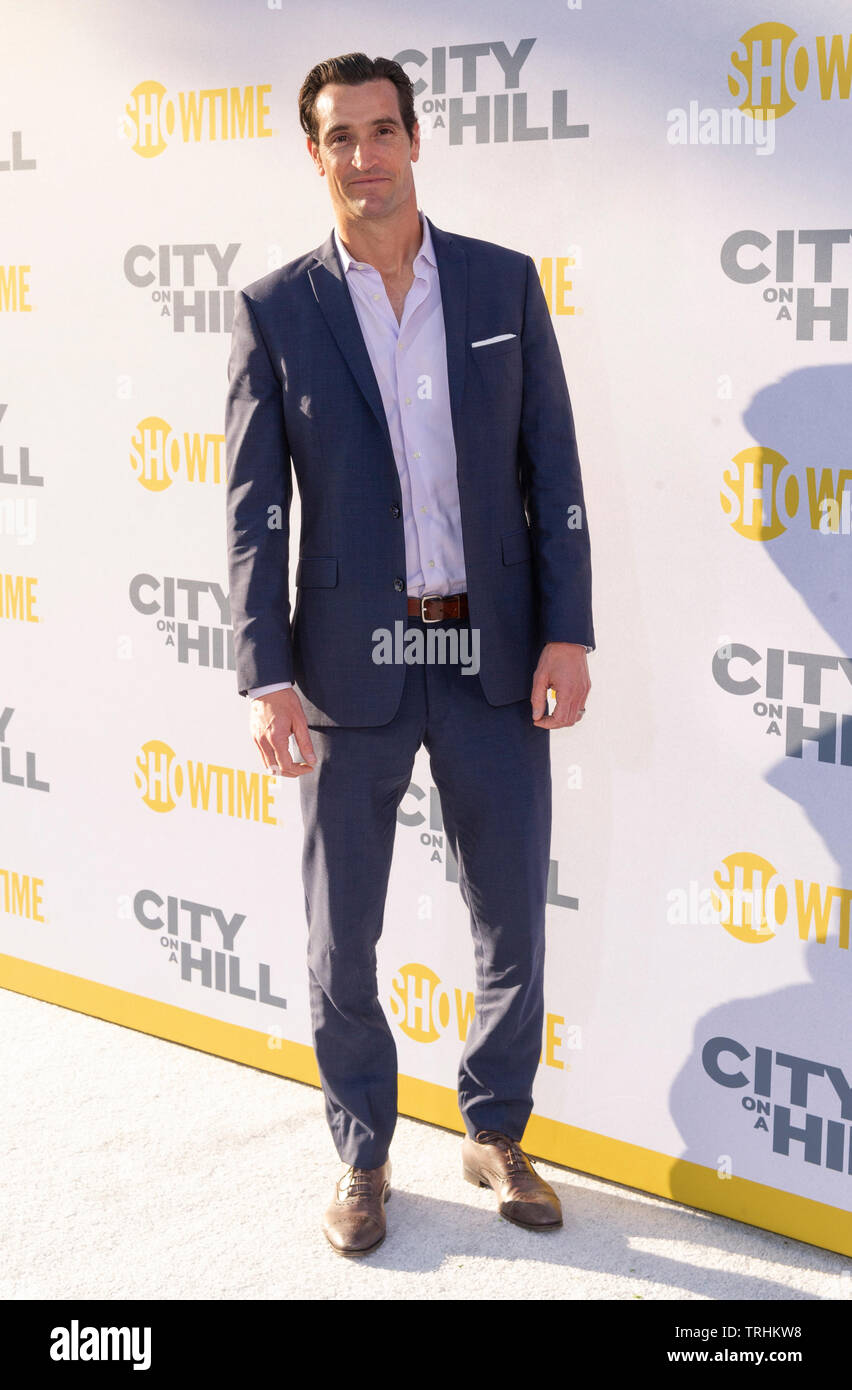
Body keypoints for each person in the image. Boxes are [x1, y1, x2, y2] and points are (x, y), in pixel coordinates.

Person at [225, 51, 594, 1257]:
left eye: (382, 130)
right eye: (340, 136)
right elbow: (254, 511)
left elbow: (552, 466)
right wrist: (266, 673)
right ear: (314, 154)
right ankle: (364, 1151)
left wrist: (568, 628)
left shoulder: (500, 283)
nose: (364, 155)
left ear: (417, 139)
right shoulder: (276, 309)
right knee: (344, 935)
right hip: (347, 668)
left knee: (512, 916)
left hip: (492, 655)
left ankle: (496, 1129)